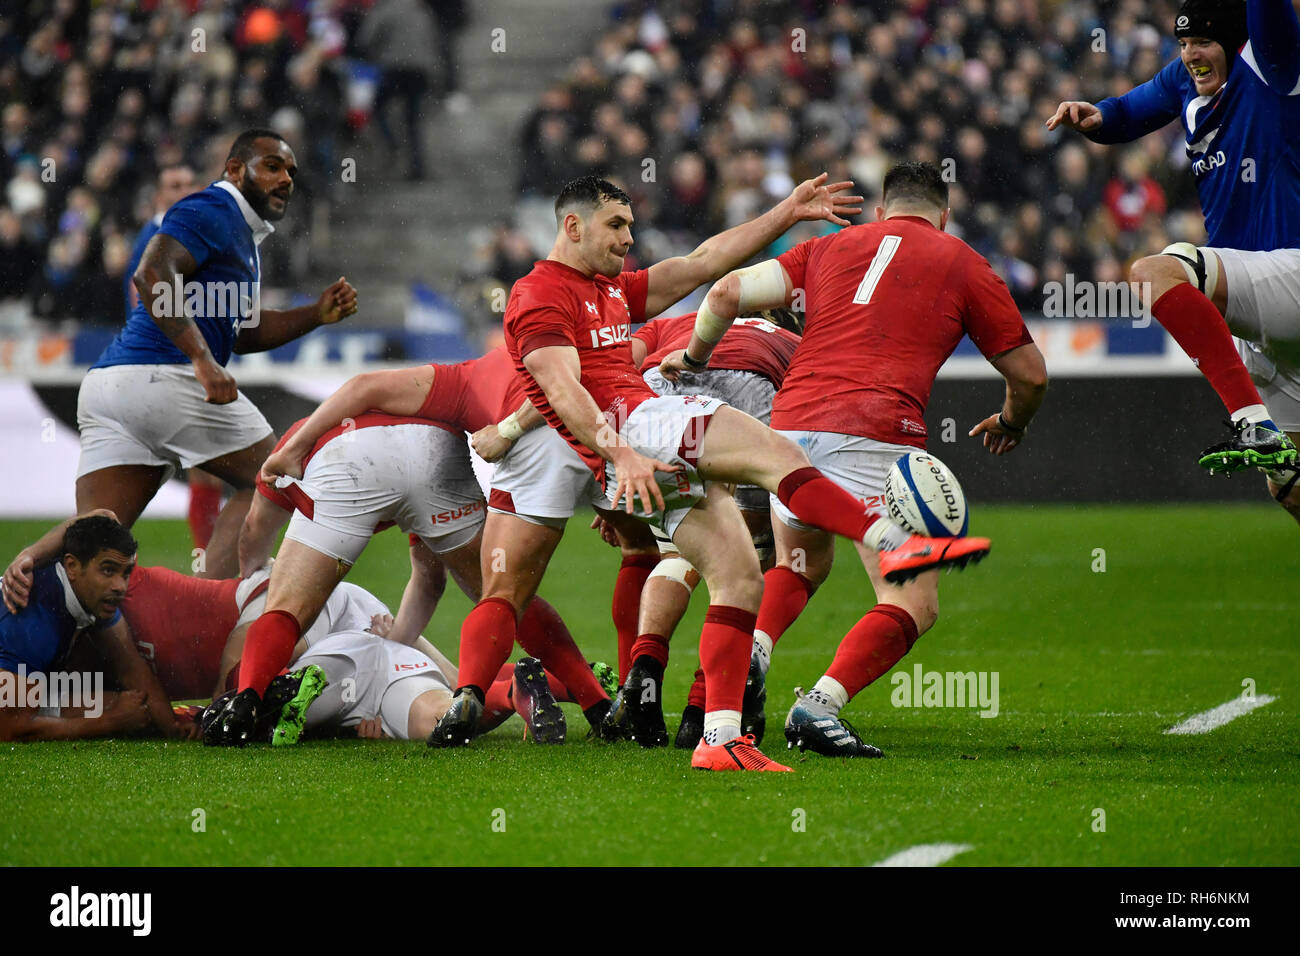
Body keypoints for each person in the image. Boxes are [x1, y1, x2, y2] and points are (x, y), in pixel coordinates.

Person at [431, 173, 990, 772]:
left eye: (630, 225)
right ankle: (886, 541)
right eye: (616, 225)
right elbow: (560, 389)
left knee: (740, 575)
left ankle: (719, 739)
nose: (629, 237)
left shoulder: (611, 290)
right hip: (640, 427)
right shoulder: (540, 293)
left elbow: (703, 264)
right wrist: (620, 454)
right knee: (780, 458)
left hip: (633, 446)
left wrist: (788, 212)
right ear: (573, 226)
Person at [658, 161, 1047, 757]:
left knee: (801, 562)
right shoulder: (963, 261)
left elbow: (725, 291)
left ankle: (755, 653)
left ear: (881, 211)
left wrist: (692, 355)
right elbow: (1030, 374)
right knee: (912, 602)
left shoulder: (827, 246)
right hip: (875, 431)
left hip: (789, 427)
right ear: (943, 215)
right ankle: (819, 706)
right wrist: (1013, 421)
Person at [203, 352, 611, 745]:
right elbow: (429, 578)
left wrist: (251, 575)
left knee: (286, 610)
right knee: (506, 597)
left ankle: (246, 703)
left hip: (347, 457)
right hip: (436, 451)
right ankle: (595, 700)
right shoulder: (471, 391)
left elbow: (255, 527)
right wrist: (400, 640)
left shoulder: (445, 382)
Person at [1047, 0, 1300, 519]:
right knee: (1290, 487)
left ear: (1235, 43)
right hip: (1264, 316)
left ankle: (1249, 420)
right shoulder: (1184, 81)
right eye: (1183, 43)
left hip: (1289, 272)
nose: (1190, 55)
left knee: (1155, 270)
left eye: (1202, 43)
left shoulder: (1273, 65)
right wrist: (1095, 118)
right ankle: (1264, 429)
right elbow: (1127, 111)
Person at [75, 128, 358, 580]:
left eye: (290, 170)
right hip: (163, 376)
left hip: (110, 387)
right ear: (233, 169)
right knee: (279, 477)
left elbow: (244, 333)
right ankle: (206, 616)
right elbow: (150, 274)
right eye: (271, 166)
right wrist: (202, 359)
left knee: (88, 548)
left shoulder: (242, 237)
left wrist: (315, 315)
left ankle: (31, 618)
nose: (285, 178)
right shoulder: (214, 207)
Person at [0, 515, 192, 741]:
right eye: (108, 571)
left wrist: (174, 730)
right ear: (71, 566)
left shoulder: (88, 593)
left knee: (129, 705)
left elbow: (131, 667)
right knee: (113, 708)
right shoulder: (31, 622)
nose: (120, 586)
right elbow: (9, 729)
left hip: (24, 686)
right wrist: (110, 722)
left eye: (126, 573)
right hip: (9, 715)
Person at [123, 163, 226, 549]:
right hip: (163, 367)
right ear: (158, 196)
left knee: (202, 472)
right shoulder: (158, 237)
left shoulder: (184, 233)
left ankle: (206, 562)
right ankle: (210, 566)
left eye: (188, 183)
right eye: (173, 185)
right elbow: (144, 304)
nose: (182, 190)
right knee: (216, 471)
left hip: (176, 366)